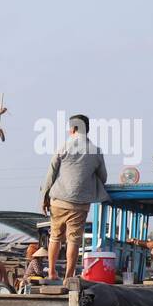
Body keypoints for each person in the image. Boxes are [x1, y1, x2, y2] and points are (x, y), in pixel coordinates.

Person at [40, 113, 109, 281]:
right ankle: (69, 276)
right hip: (80, 203)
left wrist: (44, 197)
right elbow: (103, 177)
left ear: (73, 129)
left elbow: (51, 174)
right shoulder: (96, 151)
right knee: (74, 239)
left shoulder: (63, 146)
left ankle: (51, 272)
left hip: (58, 199)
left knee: (55, 236)